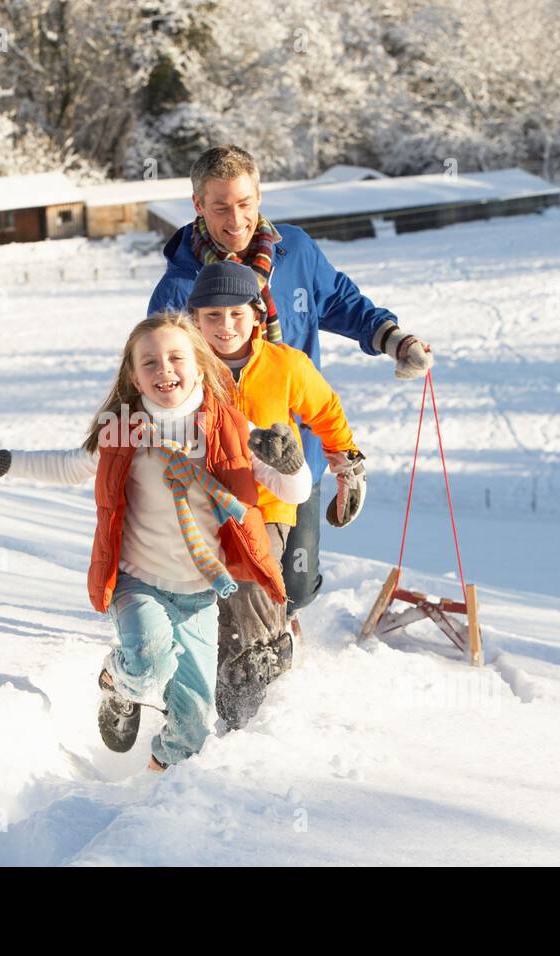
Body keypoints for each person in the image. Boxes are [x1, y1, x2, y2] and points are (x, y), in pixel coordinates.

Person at [0, 312, 310, 771]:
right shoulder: (123, 430)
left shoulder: (231, 428)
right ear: (134, 375)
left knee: (192, 729)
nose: (164, 370)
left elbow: (294, 493)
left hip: (199, 594)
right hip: (140, 582)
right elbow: (70, 466)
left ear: (200, 363)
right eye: (149, 362)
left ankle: (153, 800)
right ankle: (119, 682)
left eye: (176, 358)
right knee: (150, 662)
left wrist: (292, 464)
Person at [148, 144, 435, 627]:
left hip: (295, 454)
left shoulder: (295, 252)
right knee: (230, 580)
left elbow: (343, 302)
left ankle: (283, 618)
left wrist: (394, 339)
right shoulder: (179, 289)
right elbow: (157, 376)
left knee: (296, 585)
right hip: (218, 463)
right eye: (219, 207)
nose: (235, 219)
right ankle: (241, 657)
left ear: (259, 196)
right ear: (198, 205)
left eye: (245, 203)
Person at [186, 260, 365, 730]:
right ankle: (231, 706)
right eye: (212, 316)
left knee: (249, 575)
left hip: (269, 503)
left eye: (236, 315)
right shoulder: (188, 370)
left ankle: (264, 670)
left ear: (256, 316)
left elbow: (325, 409)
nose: (225, 327)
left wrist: (347, 460)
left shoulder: (286, 365)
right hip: (205, 503)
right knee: (222, 605)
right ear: (195, 319)